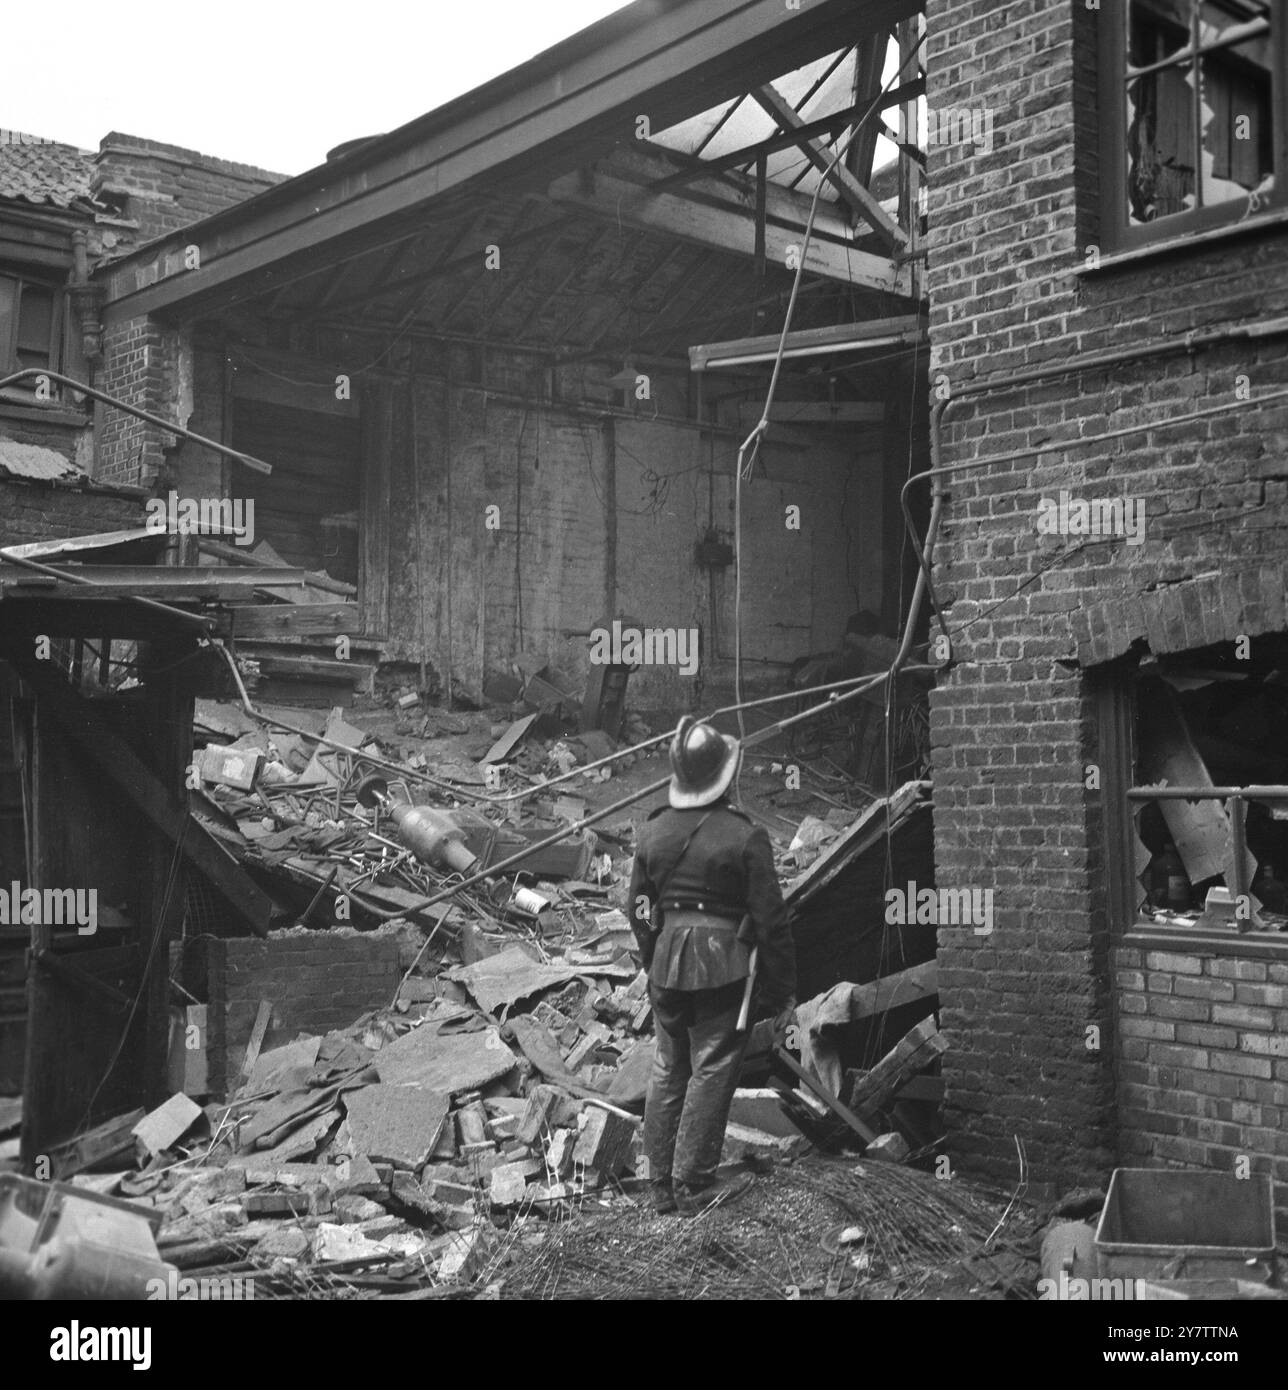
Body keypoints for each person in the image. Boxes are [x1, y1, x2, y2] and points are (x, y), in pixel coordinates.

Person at [628, 716, 796, 1216]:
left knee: (667, 1065)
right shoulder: (746, 836)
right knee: (714, 1066)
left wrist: (653, 954)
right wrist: (784, 987)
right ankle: (694, 1183)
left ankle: (659, 1185)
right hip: (722, 967)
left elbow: (638, 908)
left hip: (666, 964)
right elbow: (772, 920)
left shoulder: (651, 831)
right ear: (725, 773)